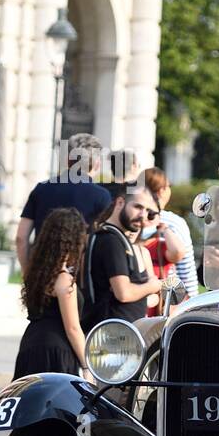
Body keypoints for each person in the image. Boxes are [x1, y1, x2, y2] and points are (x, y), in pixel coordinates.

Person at [17, 133, 111, 274]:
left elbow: (21, 238)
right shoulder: (101, 196)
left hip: (41, 272)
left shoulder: (41, 189)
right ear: (97, 164)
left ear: (68, 160)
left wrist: (27, 273)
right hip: (79, 276)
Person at [14, 208, 92, 380]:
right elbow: (72, 328)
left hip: (30, 343)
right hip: (56, 349)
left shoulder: (36, 274)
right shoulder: (64, 280)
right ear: (73, 241)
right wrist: (87, 366)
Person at [83, 182, 165, 331]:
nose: (142, 215)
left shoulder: (117, 238)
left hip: (119, 336)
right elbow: (124, 293)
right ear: (120, 202)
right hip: (111, 338)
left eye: (147, 211)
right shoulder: (111, 240)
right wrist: (152, 285)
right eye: (138, 207)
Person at [136, 167, 194, 303]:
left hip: (140, 294)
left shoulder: (131, 219)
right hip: (170, 297)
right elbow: (186, 268)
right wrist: (191, 299)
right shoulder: (173, 223)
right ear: (162, 190)